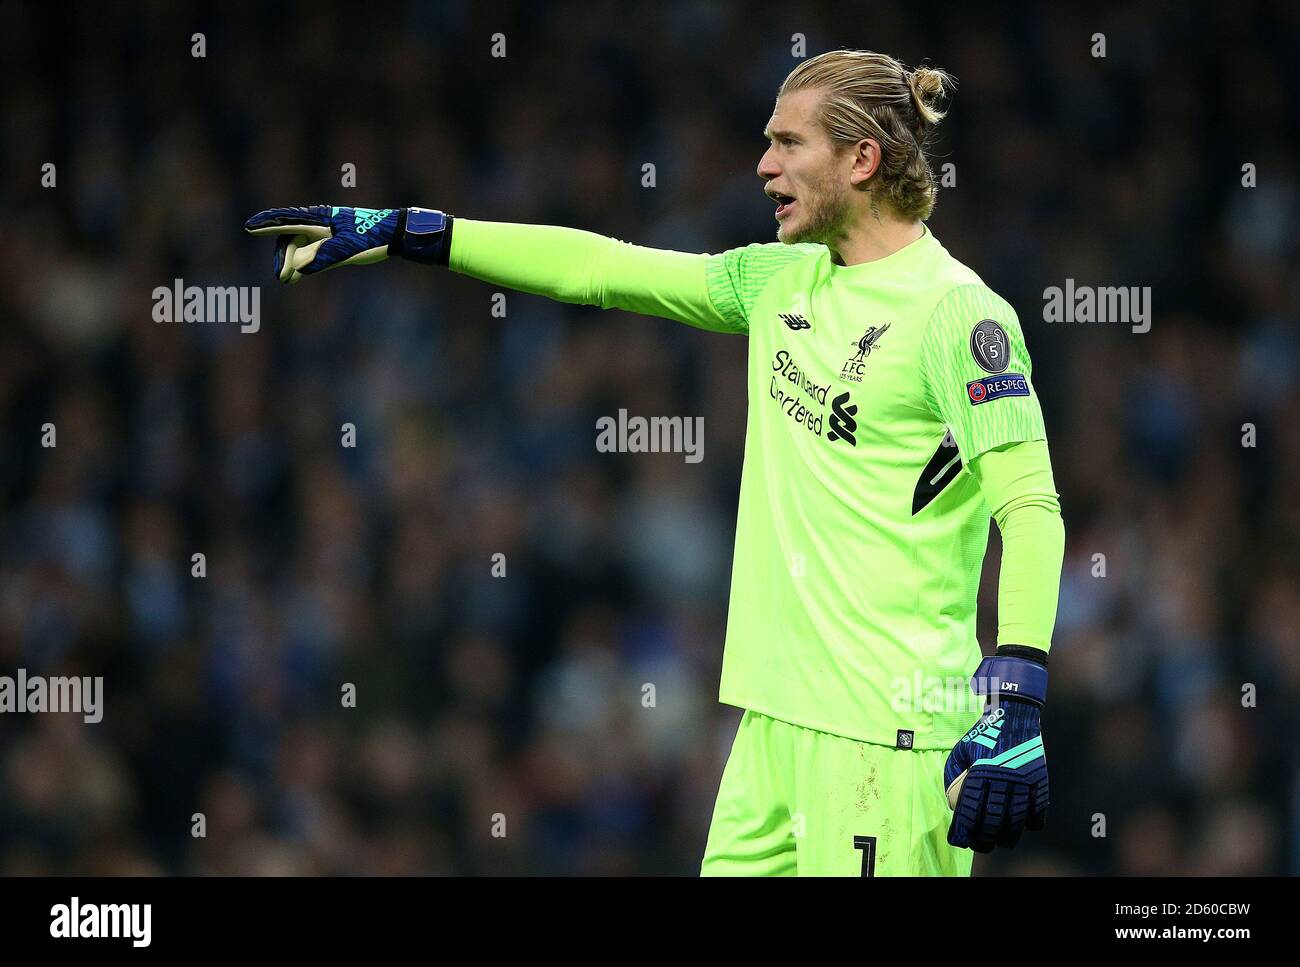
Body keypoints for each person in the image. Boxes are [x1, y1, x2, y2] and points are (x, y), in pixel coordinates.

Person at [246, 48, 1064, 877]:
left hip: (886, 742)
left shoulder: (956, 315)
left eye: (788, 143)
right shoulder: (779, 282)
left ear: (862, 159)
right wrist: (413, 234)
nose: (763, 164)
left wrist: (1020, 692)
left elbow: (1029, 506)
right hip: (771, 728)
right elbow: (603, 268)